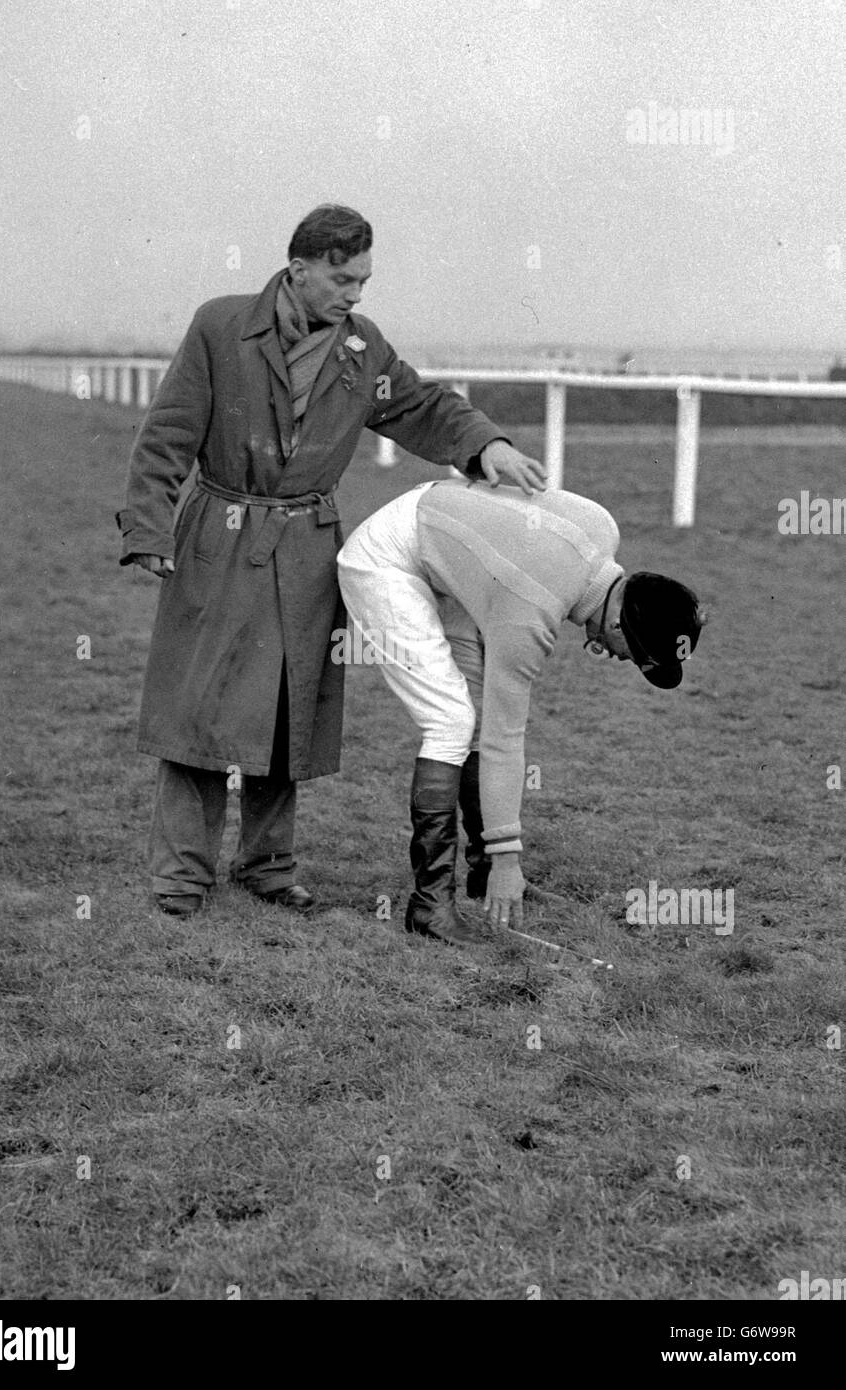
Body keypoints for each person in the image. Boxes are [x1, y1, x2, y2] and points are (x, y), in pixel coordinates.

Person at [116, 204, 546, 916]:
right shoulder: (220, 328)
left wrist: (486, 445)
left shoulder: (363, 349)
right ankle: (179, 880)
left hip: (309, 554)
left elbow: (424, 408)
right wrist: (149, 532)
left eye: (363, 281)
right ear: (299, 270)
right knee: (198, 712)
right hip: (218, 540)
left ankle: (267, 870)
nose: (354, 294)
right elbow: (166, 436)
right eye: (343, 279)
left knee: (286, 715)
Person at [336, 478, 706, 944]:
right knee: (451, 723)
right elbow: (503, 739)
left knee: (467, 717)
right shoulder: (532, 610)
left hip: (443, 544)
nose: (622, 660)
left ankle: (483, 873)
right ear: (617, 622)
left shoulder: (602, 527)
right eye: (633, 652)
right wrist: (511, 854)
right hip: (386, 558)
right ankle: (430, 905)